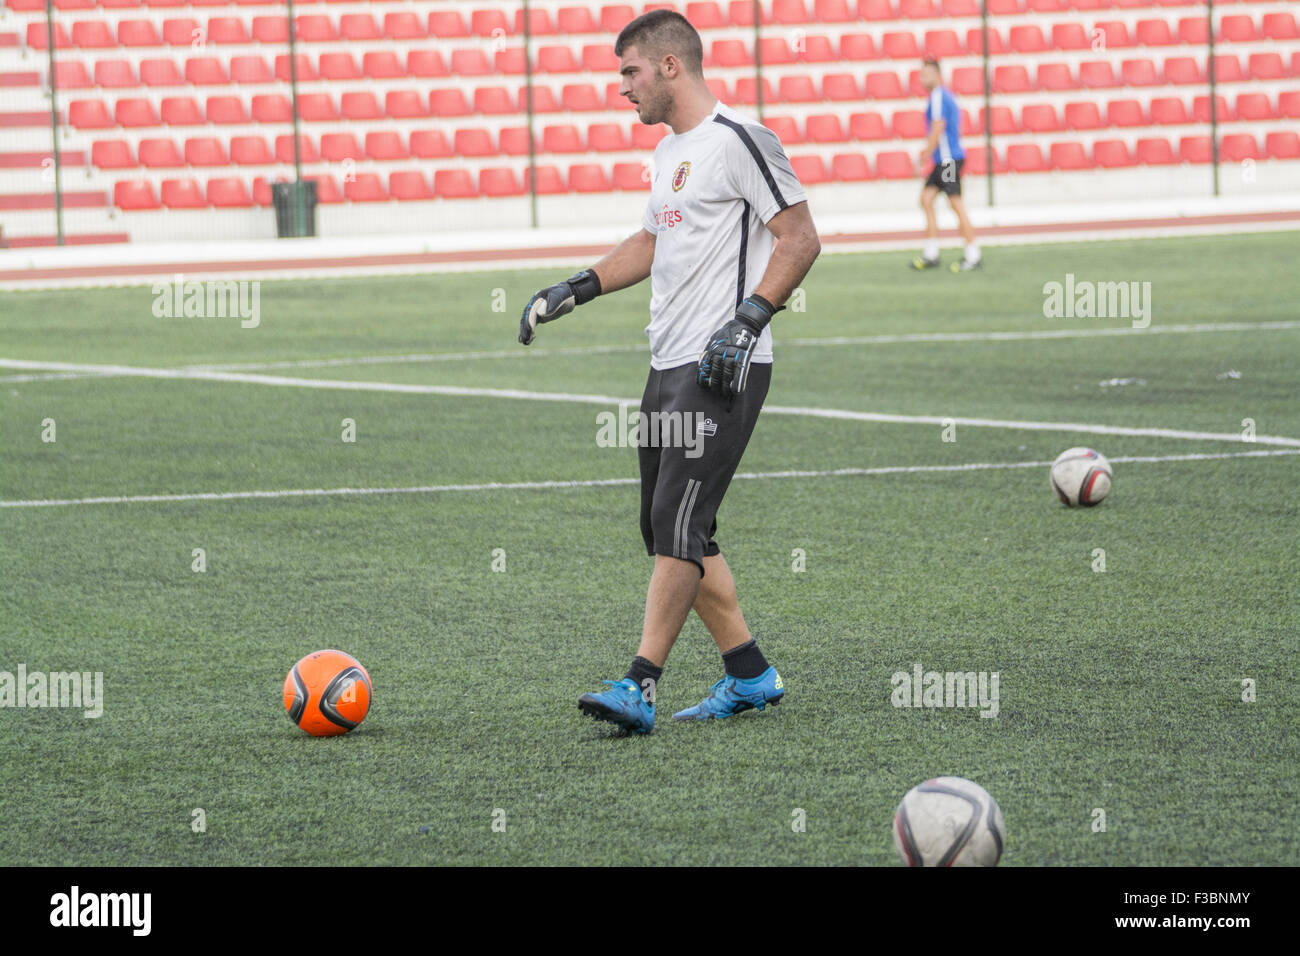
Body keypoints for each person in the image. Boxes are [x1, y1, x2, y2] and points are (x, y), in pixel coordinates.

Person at [517, 9, 821, 734]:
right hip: (667, 364)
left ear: (670, 67)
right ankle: (749, 674)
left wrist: (749, 320)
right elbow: (653, 240)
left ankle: (639, 684)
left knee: (677, 523)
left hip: (720, 367)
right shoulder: (669, 155)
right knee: (670, 527)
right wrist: (575, 288)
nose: (622, 88)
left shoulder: (741, 142)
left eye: (629, 72)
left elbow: (800, 237)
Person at [912, 56, 981, 273]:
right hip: (942, 161)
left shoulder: (940, 97)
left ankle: (973, 254)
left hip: (948, 160)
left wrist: (924, 156)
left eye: (926, 74)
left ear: (937, 74)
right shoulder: (937, 96)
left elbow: (938, 127)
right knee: (926, 199)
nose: (923, 78)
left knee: (955, 203)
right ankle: (932, 253)